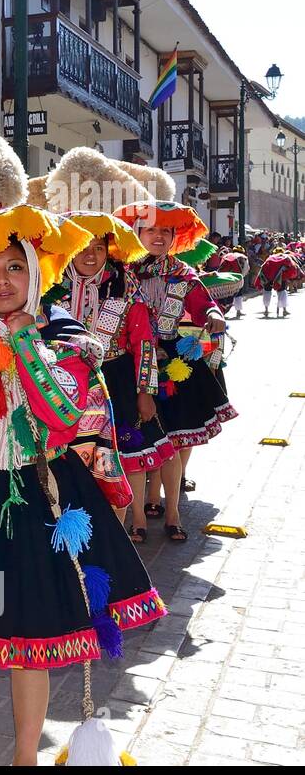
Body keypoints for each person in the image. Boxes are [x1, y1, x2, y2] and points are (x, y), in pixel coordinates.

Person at [0, 204, 166, 766]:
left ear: (34, 274)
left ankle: (25, 756)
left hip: (44, 499)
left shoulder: (70, 342)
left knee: (33, 641)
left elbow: (61, 415)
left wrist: (26, 341)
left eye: (13, 268)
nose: (1, 282)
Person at [45, 212, 170, 543]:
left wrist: (145, 391)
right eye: (83, 247)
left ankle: (128, 524)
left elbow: (144, 342)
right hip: (63, 383)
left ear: (108, 252)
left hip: (115, 381)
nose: (90, 255)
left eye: (98, 248)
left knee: (122, 456)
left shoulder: (125, 288)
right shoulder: (50, 288)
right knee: (72, 457)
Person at [118, 201, 235, 540]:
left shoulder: (184, 274)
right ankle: (143, 505)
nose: (158, 236)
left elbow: (202, 302)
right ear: (138, 234)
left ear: (174, 237)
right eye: (151, 230)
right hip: (133, 362)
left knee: (174, 434)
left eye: (165, 231)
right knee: (142, 435)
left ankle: (169, 509)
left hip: (171, 359)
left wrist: (213, 314)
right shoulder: (123, 271)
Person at [253, 246, 300, 317]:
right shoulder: (286, 258)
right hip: (280, 277)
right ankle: (284, 310)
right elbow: (292, 268)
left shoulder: (269, 258)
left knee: (267, 292)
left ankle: (266, 310)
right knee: (282, 292)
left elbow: (263, 269)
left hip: (268, 277)